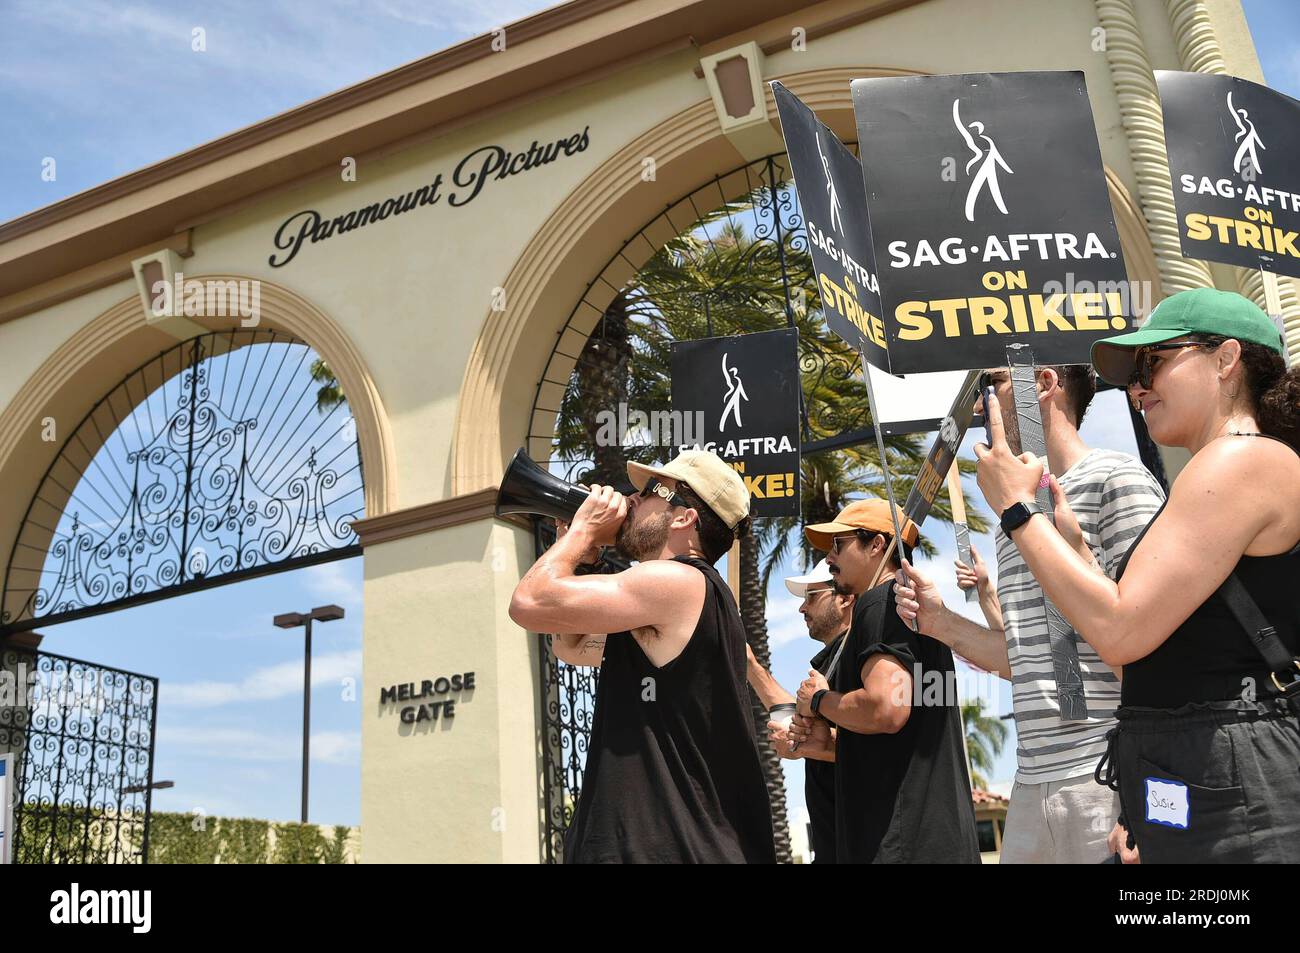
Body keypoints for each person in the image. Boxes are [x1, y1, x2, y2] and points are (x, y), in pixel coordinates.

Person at [974, 287, 1300, 863]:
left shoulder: (1241, 459)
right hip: (1196, 770)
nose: (1135, 387)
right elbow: (1141, 654)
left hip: (1232, 774)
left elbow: (1120, 632)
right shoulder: (1220, 469)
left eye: (1152, 363)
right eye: (1132, 372)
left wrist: (1018, 513)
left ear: (1225, 360)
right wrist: (1076, 547)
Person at [893, 360, 1166, 863]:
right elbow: (1024, 658)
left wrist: (1147, 791)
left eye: (991, 385)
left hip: (1108, 774)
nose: (980, 406)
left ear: (1043, 384)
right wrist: (940, 621)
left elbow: (1161, 644)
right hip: (1030, 783)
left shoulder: (1117, 478)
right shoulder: (1007, 524)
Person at [509, 450, 775, 863]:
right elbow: (571, 645)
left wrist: (583, 531)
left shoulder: (677, 580)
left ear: (684, 517)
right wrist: (579, 555)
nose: (629, 499)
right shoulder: (680, 599)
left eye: (649, 491)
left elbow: (528, 602)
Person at [787, 500, 981, 863]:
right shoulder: (914, 609)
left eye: (839, 545)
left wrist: (819, 700)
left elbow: (886, 710)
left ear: (877, 545)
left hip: (902, 846)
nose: (830, 558)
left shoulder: (880, 602)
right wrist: (831, 741)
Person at [744, 559, 854, 864]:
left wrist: (812, 745)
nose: (802, 609)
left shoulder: (859, 658)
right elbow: (800, 723)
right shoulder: (832, 662)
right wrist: (750, 665)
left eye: (812, 596)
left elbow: (875, 742)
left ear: (845, 598)